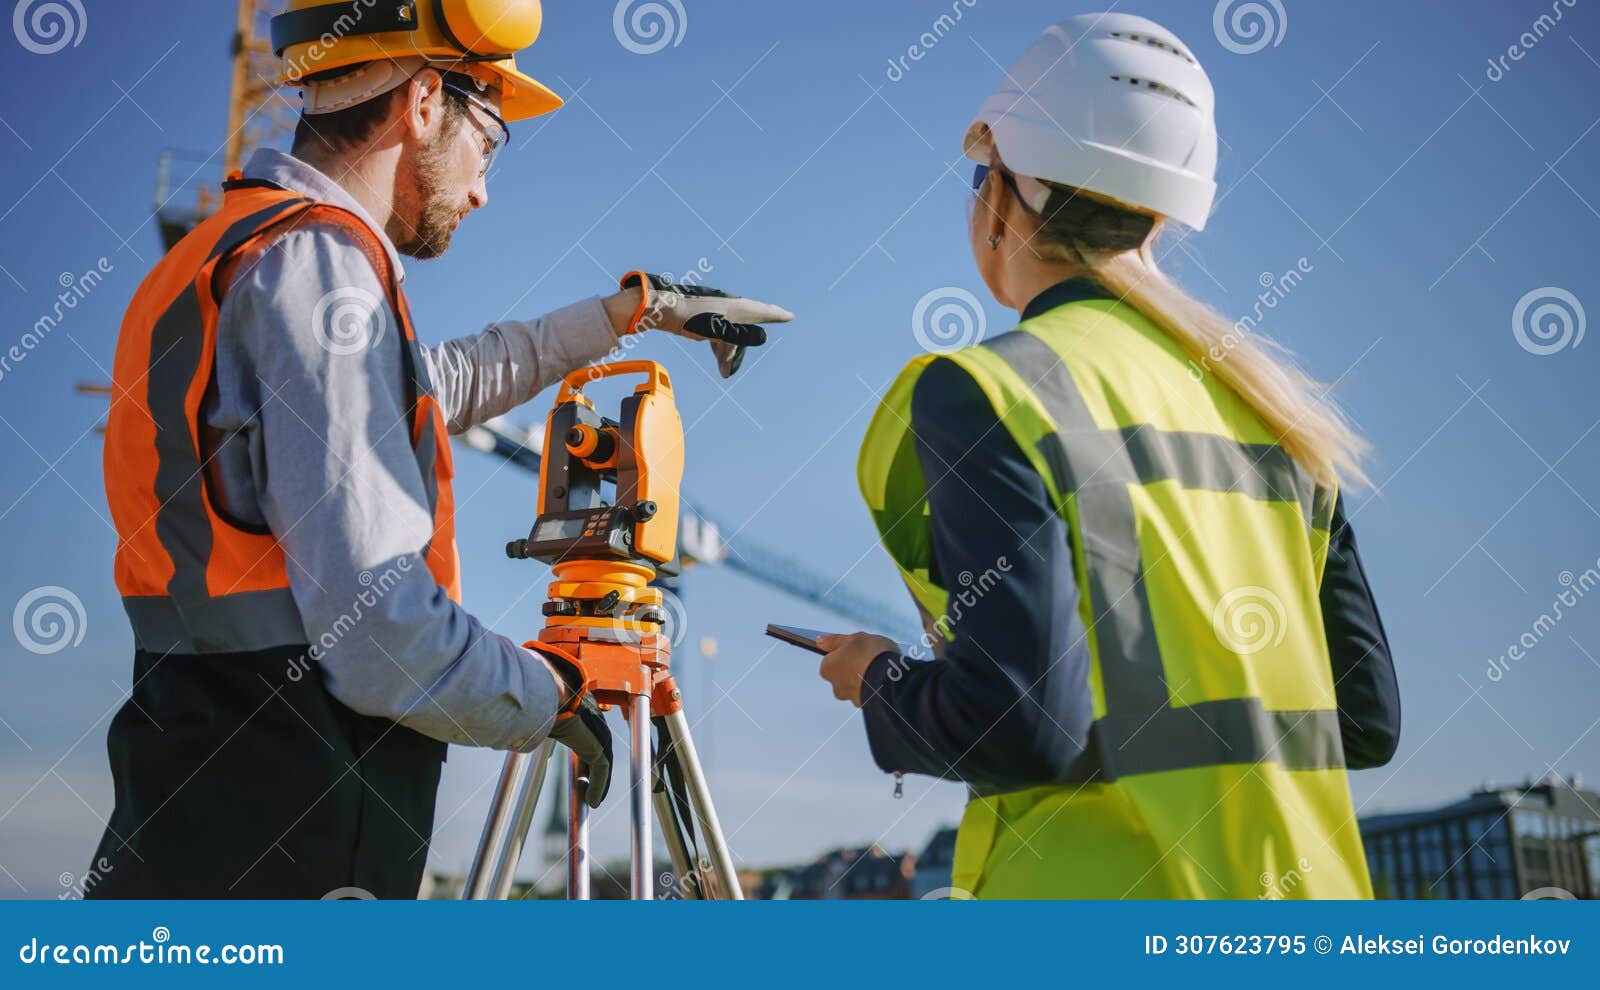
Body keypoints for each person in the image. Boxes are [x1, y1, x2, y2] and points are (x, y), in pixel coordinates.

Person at [90, 0, 792, 898]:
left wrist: (632, 312)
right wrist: (553, 697)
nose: (484, 187)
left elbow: (424, 386)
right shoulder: (324, 270)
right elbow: (386, 636)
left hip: (196, 778)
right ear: (424, 102)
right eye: (490, 140)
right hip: (300, 808)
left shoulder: (227, 249)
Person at [817, 13, 1398, 899]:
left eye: (983, 176)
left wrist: (877, 682)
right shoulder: (1278, 417)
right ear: (1157, 219)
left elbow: (1017, 726)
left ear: (1009, 194)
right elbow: (1364, 725)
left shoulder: (991, 390)